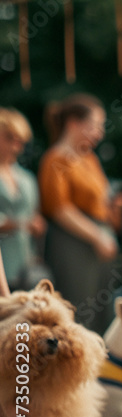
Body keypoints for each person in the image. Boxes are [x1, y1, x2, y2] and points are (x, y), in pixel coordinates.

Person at [38, 93, 121, 331]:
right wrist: (98, 236)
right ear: (73, 123)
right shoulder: (56, 159)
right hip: (74, 242)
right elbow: (60, 209)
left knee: (102, 313)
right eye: (95, 125)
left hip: (98, 242)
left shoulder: (89, 159)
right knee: (79, 311)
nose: (100, 133)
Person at [0, 107, 46, 292]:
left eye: (20, 139)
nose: (16, 144)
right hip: (3, 259)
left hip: (24, 264)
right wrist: (17, 223)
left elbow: (34, 215)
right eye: (9, 137)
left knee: (22, 320)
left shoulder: (27, 179)